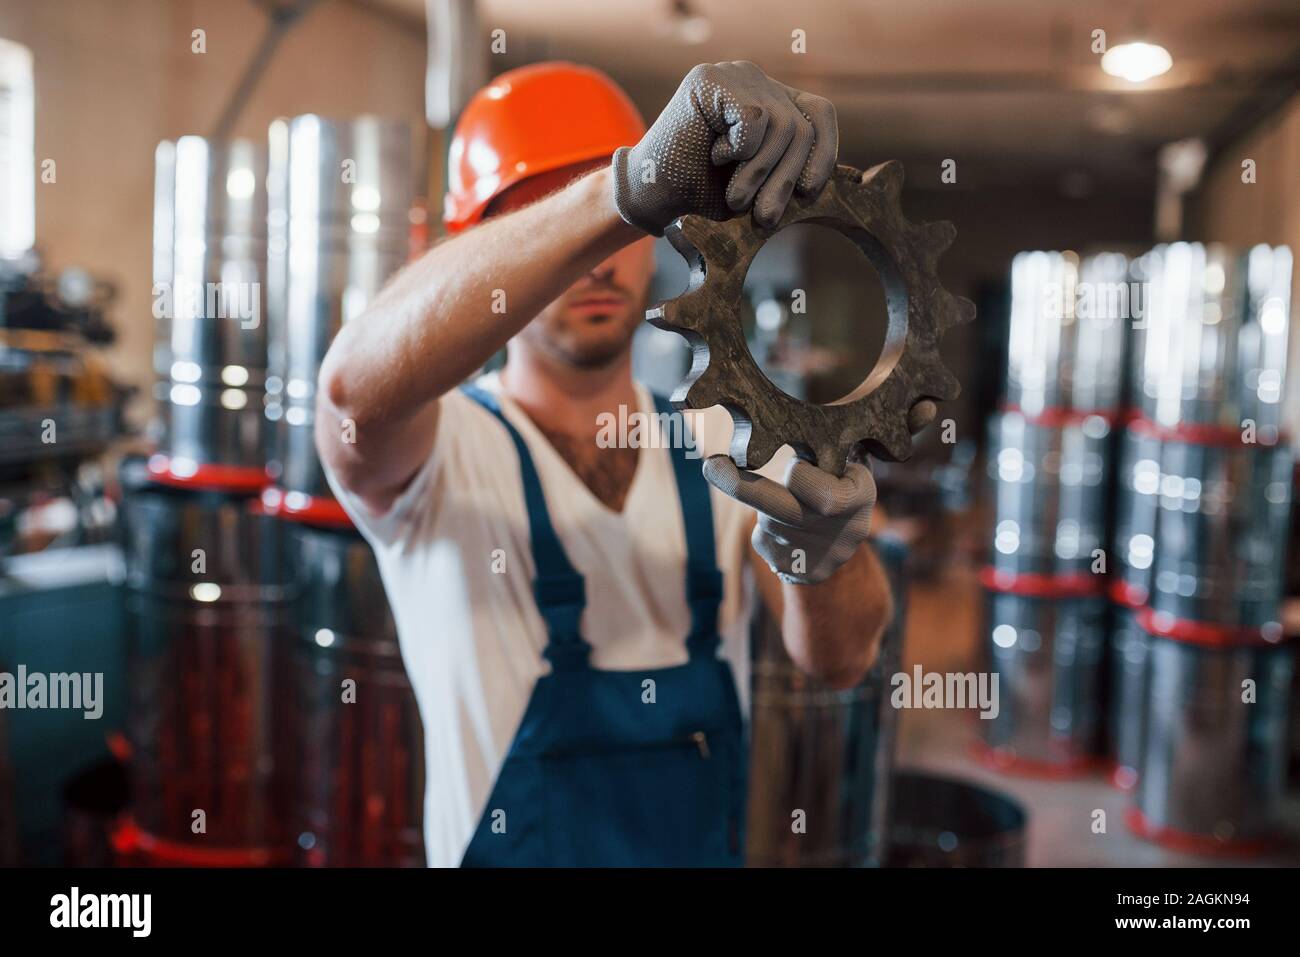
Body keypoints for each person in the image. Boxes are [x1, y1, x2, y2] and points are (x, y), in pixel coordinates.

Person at [317, 60, 897, 867]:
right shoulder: (436, 454)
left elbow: (841, 660)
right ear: (490, 250)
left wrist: (825, 556)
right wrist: (621, 192)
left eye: (622, 227)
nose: (597, 260)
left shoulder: (726, 445)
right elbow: (350, 389)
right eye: (545, 215)